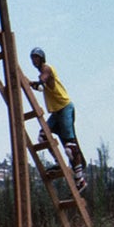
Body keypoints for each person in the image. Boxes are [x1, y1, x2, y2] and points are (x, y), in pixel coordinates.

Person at [25, 46, 87, 185]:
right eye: (32, 58)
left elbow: (42, 81)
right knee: (43, 137)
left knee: (70, 148)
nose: (34, 60)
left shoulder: (47, 69)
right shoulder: (42, 74)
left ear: (41, 58)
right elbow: (39, 85)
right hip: (56, 112)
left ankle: (80, 179)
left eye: (36, 57)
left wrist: (36, 83)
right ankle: (58, 162)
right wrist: (30, 83)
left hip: (64, 108)